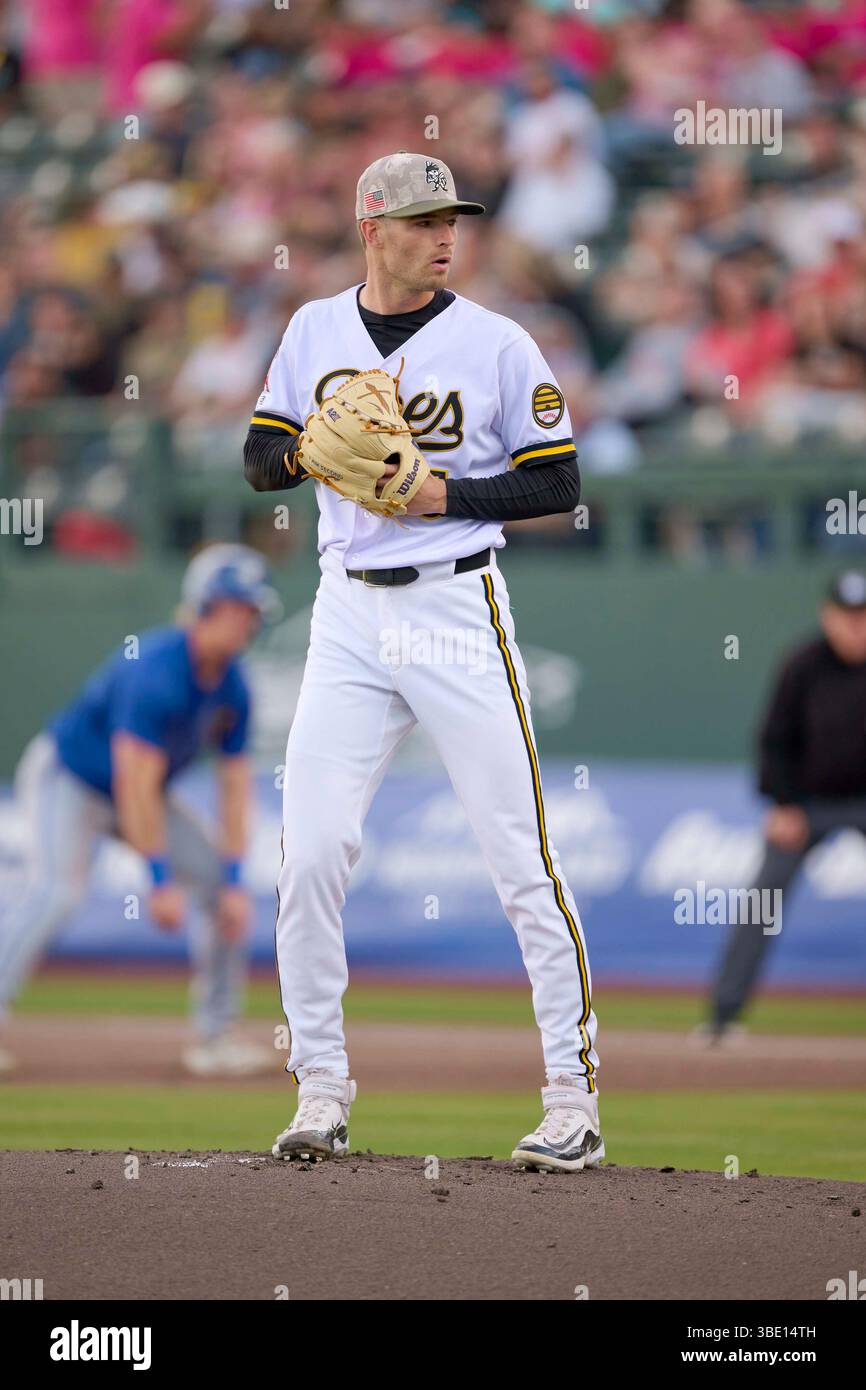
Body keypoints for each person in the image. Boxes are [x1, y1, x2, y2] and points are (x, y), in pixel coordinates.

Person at [244, 151, 602, 1173]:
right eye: (422, 220)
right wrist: (312, 447)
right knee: (309, 853)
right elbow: (258, 459)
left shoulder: (493, 341)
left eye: (453, 219)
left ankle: (571, 1101)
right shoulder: (313, 329)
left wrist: (450, 496)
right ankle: (318, 1089)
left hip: (454, 602)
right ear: (372, 225)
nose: (445, 235)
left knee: (521, 861)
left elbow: (557, 483)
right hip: (345, 614)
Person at [0, 543, 277, 1077]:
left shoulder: (234, 687)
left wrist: (238, 878)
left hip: (140, 793)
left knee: (220, 889)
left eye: (252, 611)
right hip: (71, 778)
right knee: (56, 891)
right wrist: (158, 879)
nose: (249, 622)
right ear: (203, 607)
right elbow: (134, 781)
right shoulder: (154, 667)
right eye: (238, 609)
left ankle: (214, 1038)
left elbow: (235, 787)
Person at [705, 570, 866, 1038]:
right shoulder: (803, 664)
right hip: (808, 804)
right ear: (828, 616)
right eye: (848, 617)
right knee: (763, 898)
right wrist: (782, 804)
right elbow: (774, 739)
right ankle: (723, 1016)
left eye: (863, 618)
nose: (856, 627)